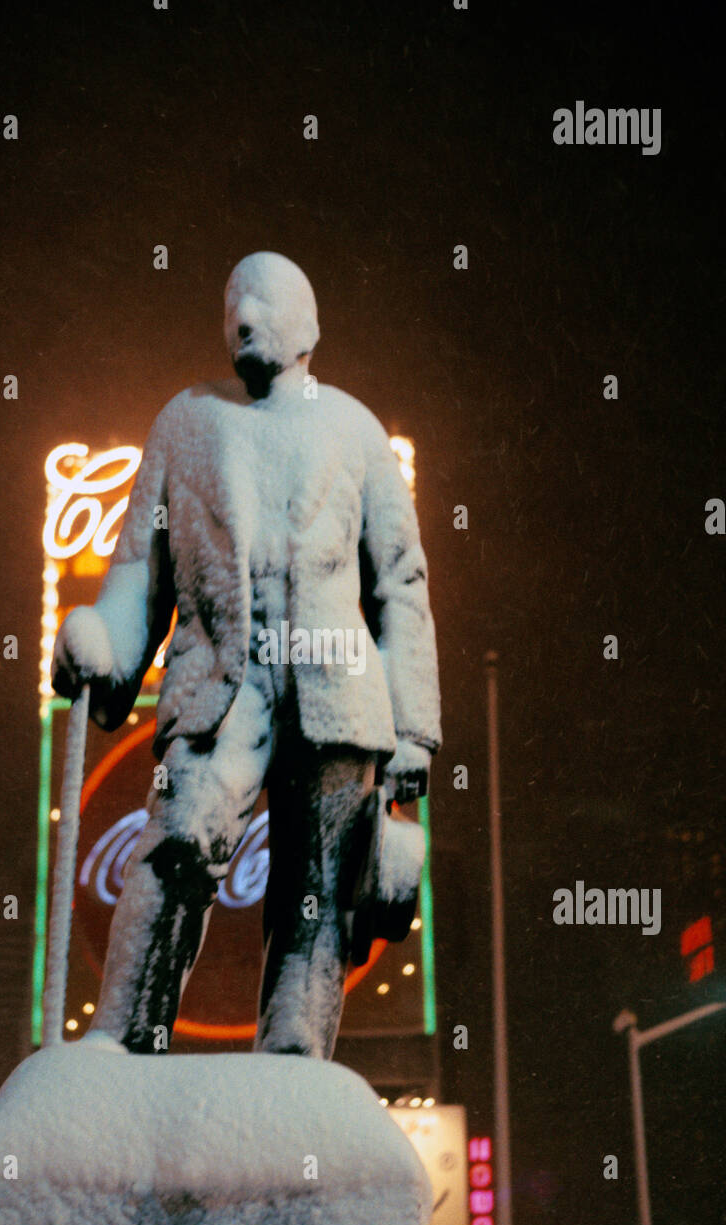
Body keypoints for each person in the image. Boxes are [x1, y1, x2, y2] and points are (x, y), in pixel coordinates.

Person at [52, 251, 441, 1058]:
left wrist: (412, 731)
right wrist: (104, 640)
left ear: (309, 326)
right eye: (235, 303)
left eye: (265, 302)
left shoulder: (356, 431)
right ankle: (125, 1039)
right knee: (177, 844)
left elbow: (400, 587)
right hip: (217, 687)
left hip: (335, 694)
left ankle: (294, 1060)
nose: (245, 317)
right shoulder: (185, 423)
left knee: (318, 892)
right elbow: (137, 571)